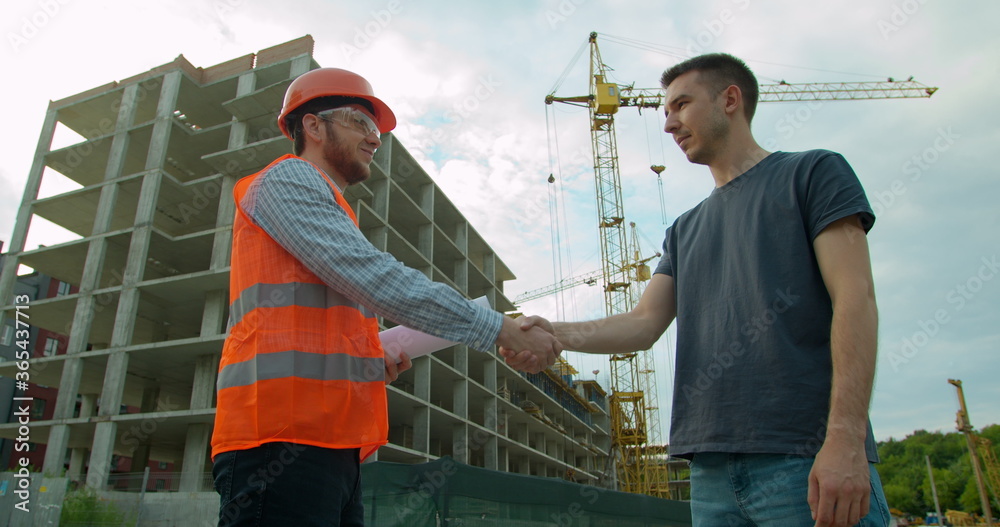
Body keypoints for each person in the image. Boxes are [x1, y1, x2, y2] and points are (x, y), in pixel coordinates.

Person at [506, 54, 890, 527]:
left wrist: (846, 439)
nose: (669, 123)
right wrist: (553, 332)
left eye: (681, 105)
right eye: (666, 111)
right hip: (709, 475)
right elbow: (643, 323)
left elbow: (856, 298)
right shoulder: (683, 229)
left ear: (730, 99)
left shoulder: (813, 173)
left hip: (804, 459)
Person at [212, 68, 561, 527]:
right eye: (360, 122)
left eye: (377, 130)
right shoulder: (287, 180)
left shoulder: (330, 206)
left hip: (330, 444)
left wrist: (368, 358)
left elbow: (316, 326)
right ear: (312, 125)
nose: (375, 138)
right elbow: (374, 276)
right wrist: (498, 328)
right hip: (278, 440)